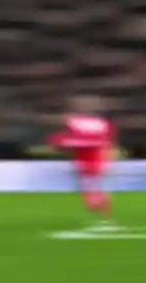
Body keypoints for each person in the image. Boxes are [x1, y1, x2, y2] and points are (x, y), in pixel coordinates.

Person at [47, 95, 117, 229]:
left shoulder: (76, 121)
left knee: (92, 188)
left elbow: (74, 140)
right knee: (93, 187)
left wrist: (58, 142)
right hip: (96, 159)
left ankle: (105, 216)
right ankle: (105, 216)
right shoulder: (101, 123)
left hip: (90, 160)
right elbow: (106, 142)